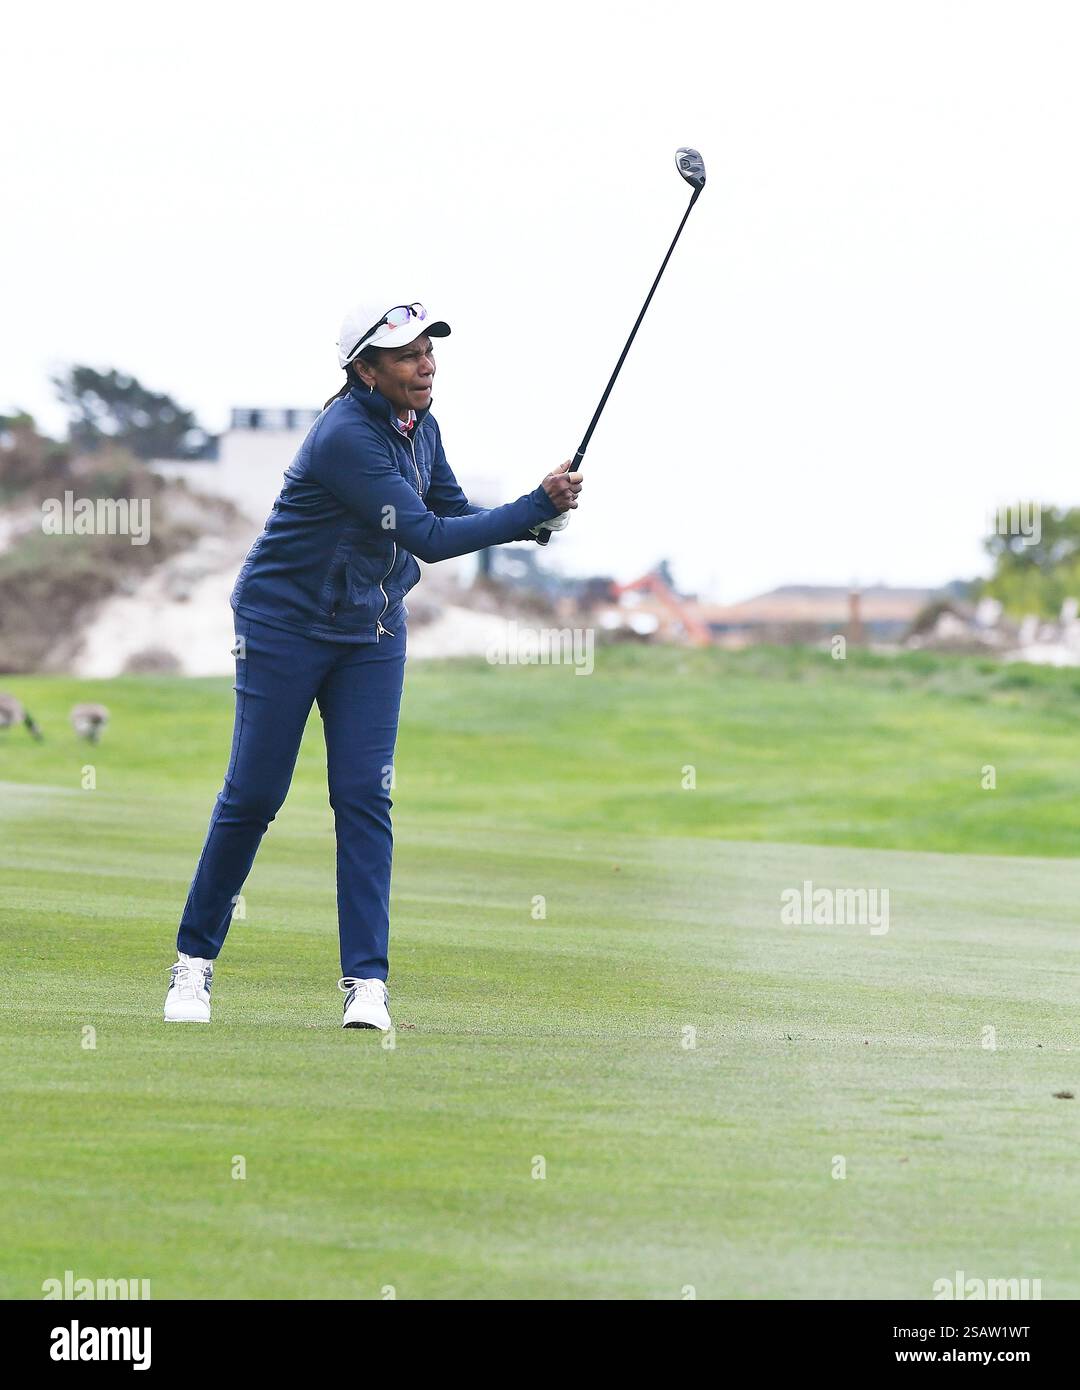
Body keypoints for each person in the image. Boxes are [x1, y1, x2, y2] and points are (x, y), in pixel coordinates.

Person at [164, 299, 582, 1030]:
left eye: (429, 350)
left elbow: (450, 509)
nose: (426, 365)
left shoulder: (421, 431)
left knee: (364, 796)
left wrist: (540, 518)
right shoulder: (344, 438)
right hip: (284, 625)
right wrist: (529, 507)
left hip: (373, 629)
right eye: (407, 355)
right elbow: (426, 536)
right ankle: (193, 967)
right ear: (365, 369)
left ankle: (367, 985)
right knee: (255, 796)